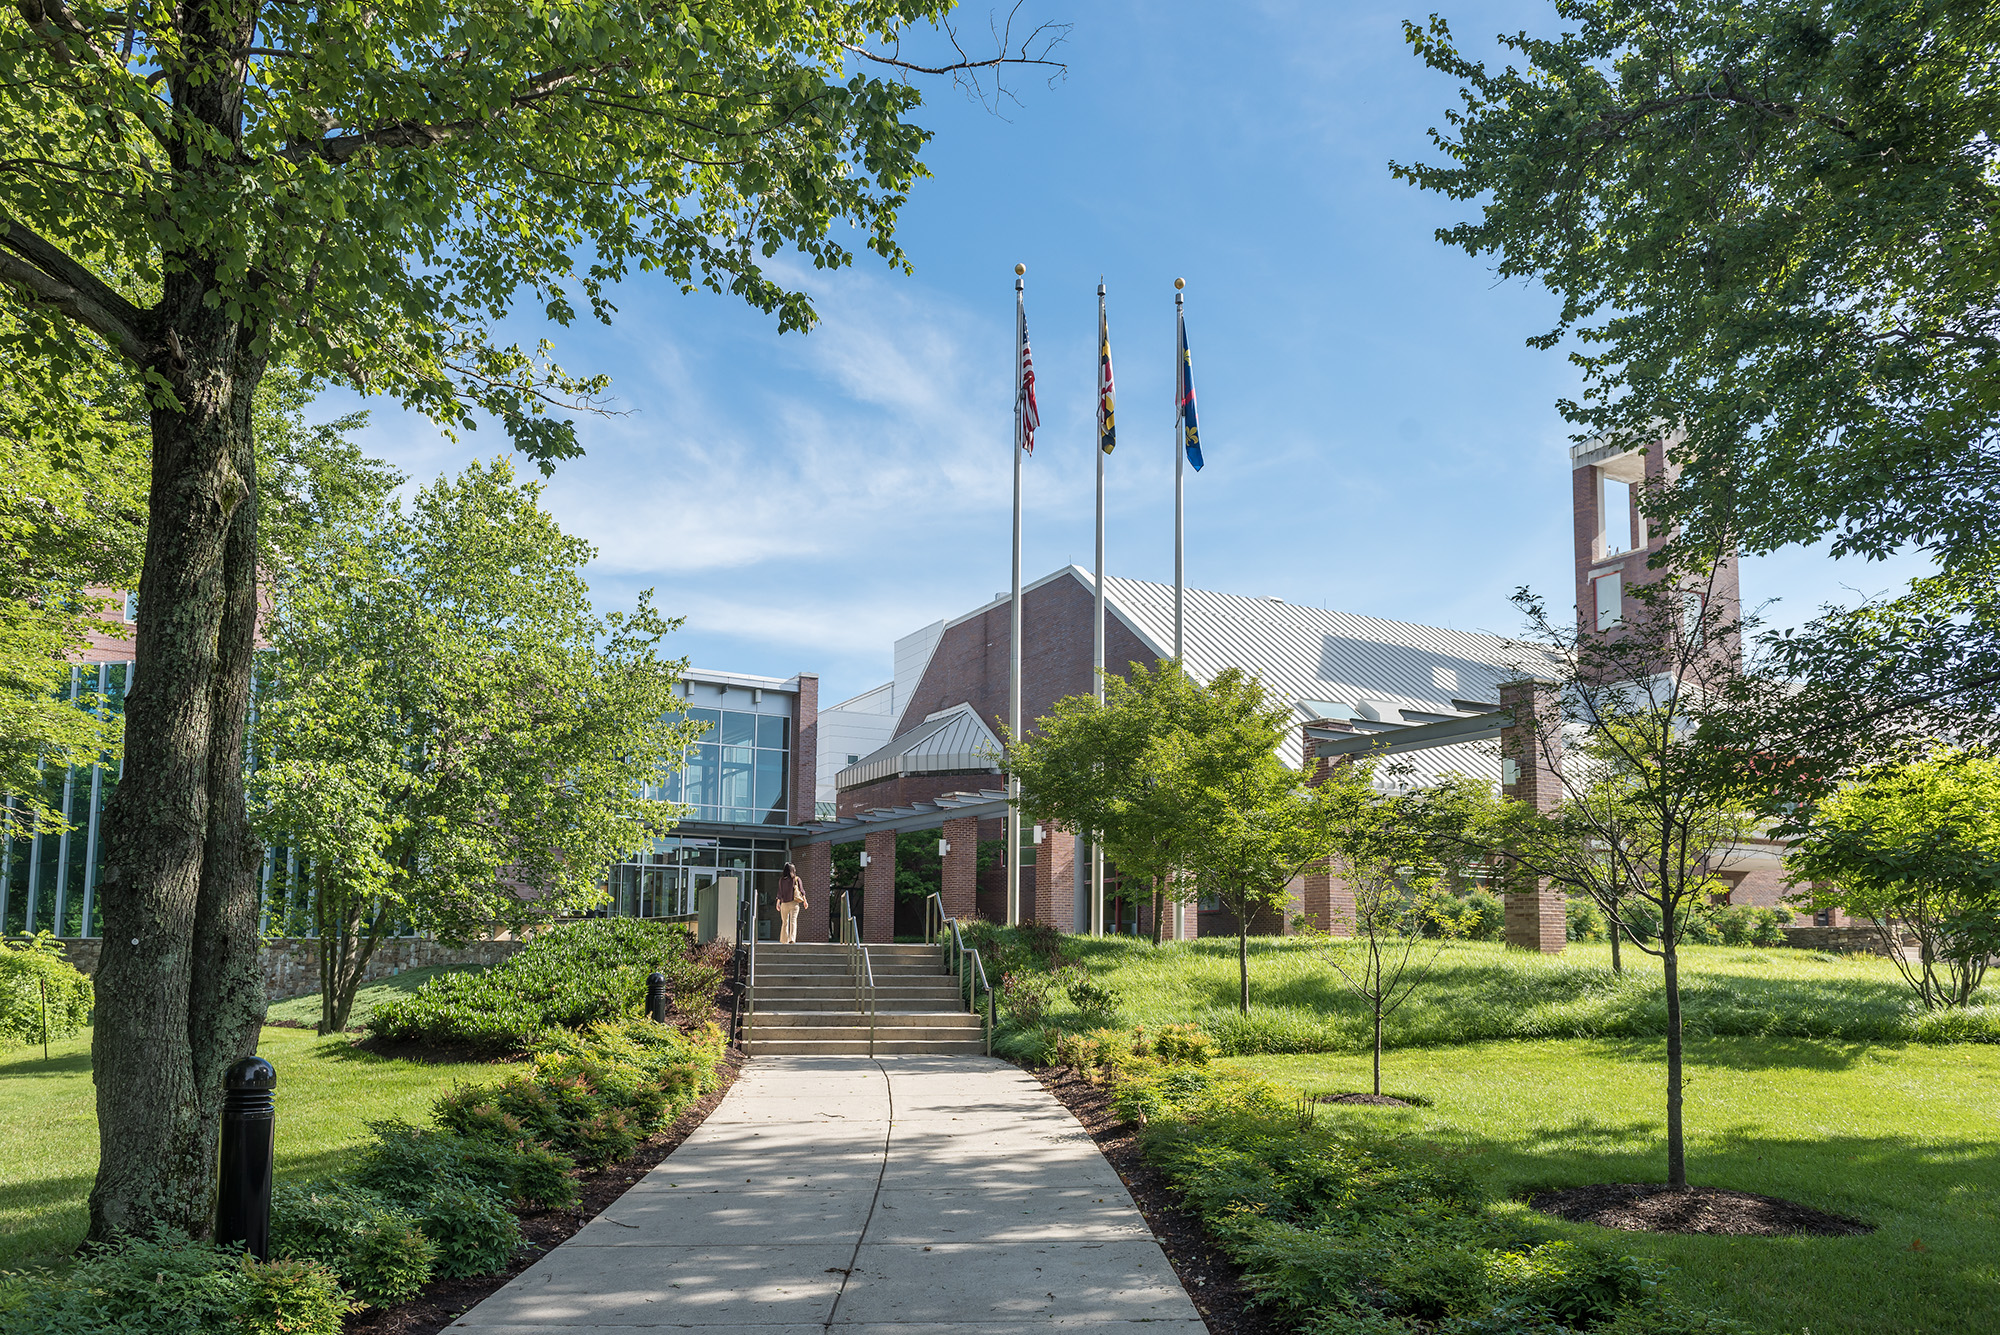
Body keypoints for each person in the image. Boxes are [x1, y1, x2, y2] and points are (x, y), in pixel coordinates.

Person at [775, 862, 807, 942]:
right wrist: (805, 901)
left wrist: (778, 903)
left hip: (784, 903)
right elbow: (801, 890)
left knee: (785, 922)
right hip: (794, 903)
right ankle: (792, 939)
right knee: (793, 921)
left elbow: (780, 892)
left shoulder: (781, 880)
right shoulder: (796, 879)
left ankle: (784, 940)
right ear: (793, 870)